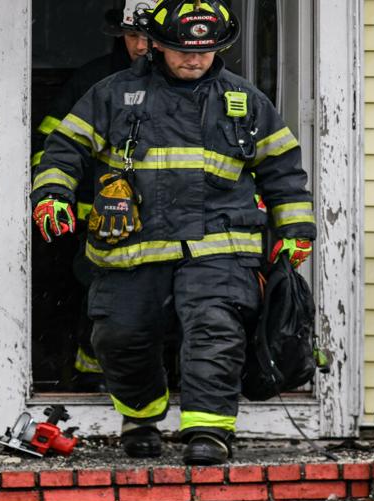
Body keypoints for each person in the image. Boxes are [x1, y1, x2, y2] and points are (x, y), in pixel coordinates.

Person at [31, 0, 315, 464]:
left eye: (205, 51)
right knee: (121, 337)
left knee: (214, 330)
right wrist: (52, 195)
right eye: (182, 50)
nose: (194, 59)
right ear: (158, 45)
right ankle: (141, 417)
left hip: (220, 244)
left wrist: (296, 226)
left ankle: (209, 431)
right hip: (131, 246)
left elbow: (283, 171)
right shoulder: (113, 94)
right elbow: (65, 149)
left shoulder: (245, 101)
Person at [33, 2, 157, 390]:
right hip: (99, 222)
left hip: (171, 224)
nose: (141, 46)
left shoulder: (197, 89)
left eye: (150, 37)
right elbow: (53, 146)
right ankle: (91, 380)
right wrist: (59, 195)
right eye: (134, 36)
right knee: (100, 302)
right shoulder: (95, 82)